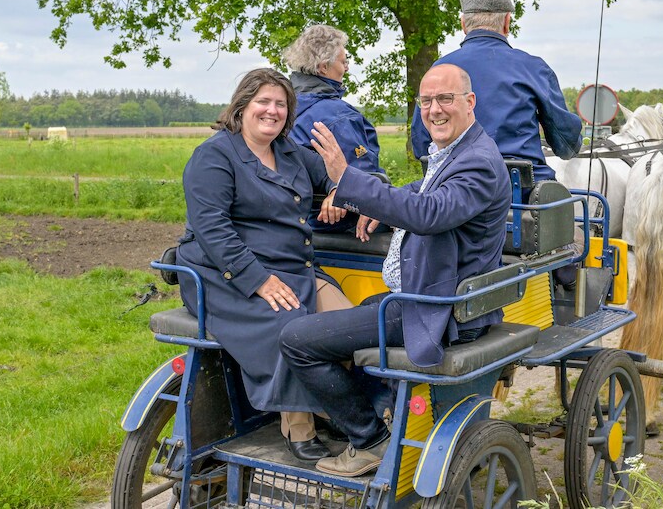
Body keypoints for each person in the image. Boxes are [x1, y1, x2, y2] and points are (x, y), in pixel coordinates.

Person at [283, 64, 511, 477]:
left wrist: (346, 179)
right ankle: (385, 409)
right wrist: (372, 204)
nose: (434, 110)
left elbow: (430, 211)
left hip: (438, 309)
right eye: (425, 101)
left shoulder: (477, 161)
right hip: (426, 295)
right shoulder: (463, 149)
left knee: (297, 339)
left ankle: (369, 439)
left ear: (470, 102)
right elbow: (424, 191)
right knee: (356, 312)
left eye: (445, 99)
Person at [175, 68, 354, 464]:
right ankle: (299, 426)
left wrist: (342, 187)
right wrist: (257, 280)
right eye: (264, 102)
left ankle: (343, 411)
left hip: (293, 267)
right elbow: (213, 229)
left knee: (350, 326)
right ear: (242, 106)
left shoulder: (290, 152)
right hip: (225, 274)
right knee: (291, 327)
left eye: (281, 104)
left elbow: (339, 176)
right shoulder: (215, 156)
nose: (272, 111)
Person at [410, 0, 582, 181]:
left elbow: (420, 143)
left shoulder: (439, 70)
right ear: (507, 22)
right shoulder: (534, 68)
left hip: (456, 190)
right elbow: (566, 144)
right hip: (522, 195)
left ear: (464, 24)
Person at [284, 25, 383, 231]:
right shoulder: (340, 117)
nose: (346, 68)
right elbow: (365, 180)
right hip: (332, 224)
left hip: (289, 218)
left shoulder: (279, 108)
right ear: (323, 67)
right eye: (344, 61)